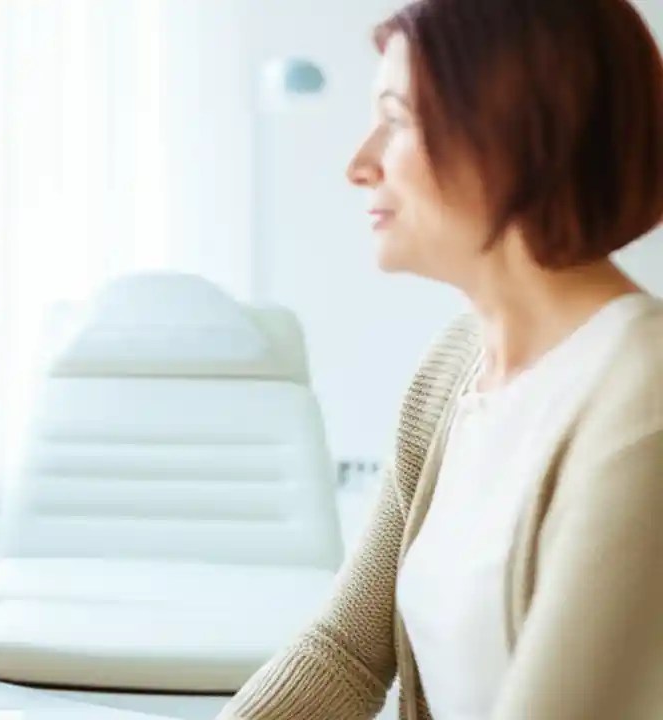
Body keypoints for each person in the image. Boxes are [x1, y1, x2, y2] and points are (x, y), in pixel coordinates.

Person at [219, 0, 663, 718]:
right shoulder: (455, 364)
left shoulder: (641, 405)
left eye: (395, 119)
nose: (359, 164)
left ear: (515, 133)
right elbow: (344, 649)